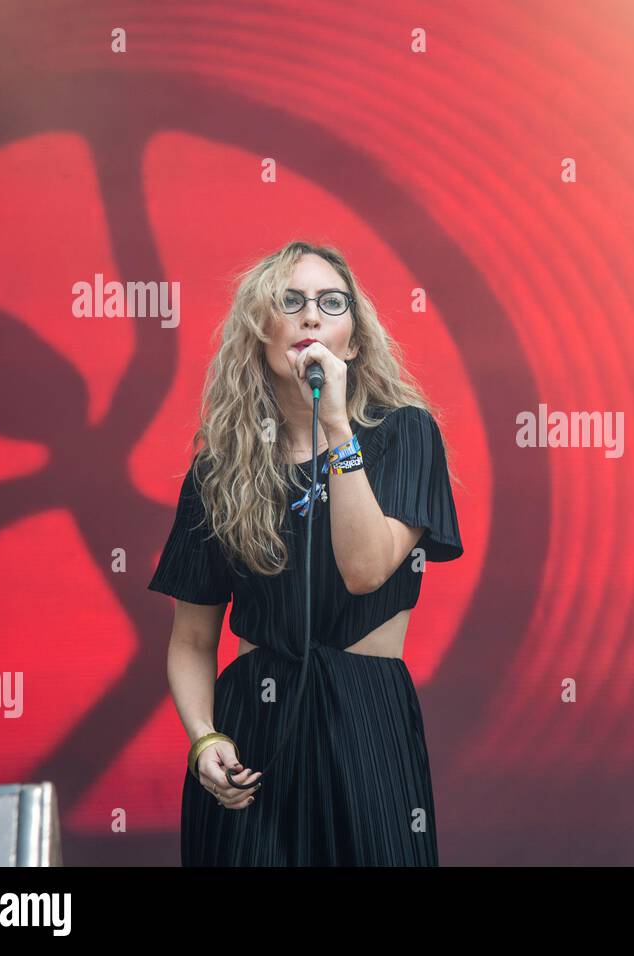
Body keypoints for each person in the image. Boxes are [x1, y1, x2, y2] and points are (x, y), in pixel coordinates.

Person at [149, 239, 463, 864]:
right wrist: (205, 736)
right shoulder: (220, 471)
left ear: (354, 337)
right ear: (260, 329)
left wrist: (338, 428)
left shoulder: (404, 434)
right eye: (290, 301)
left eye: (331, 301)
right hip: (255, 728)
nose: (311, 315)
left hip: (365, 716)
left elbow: (367, 568)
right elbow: (190, 641)